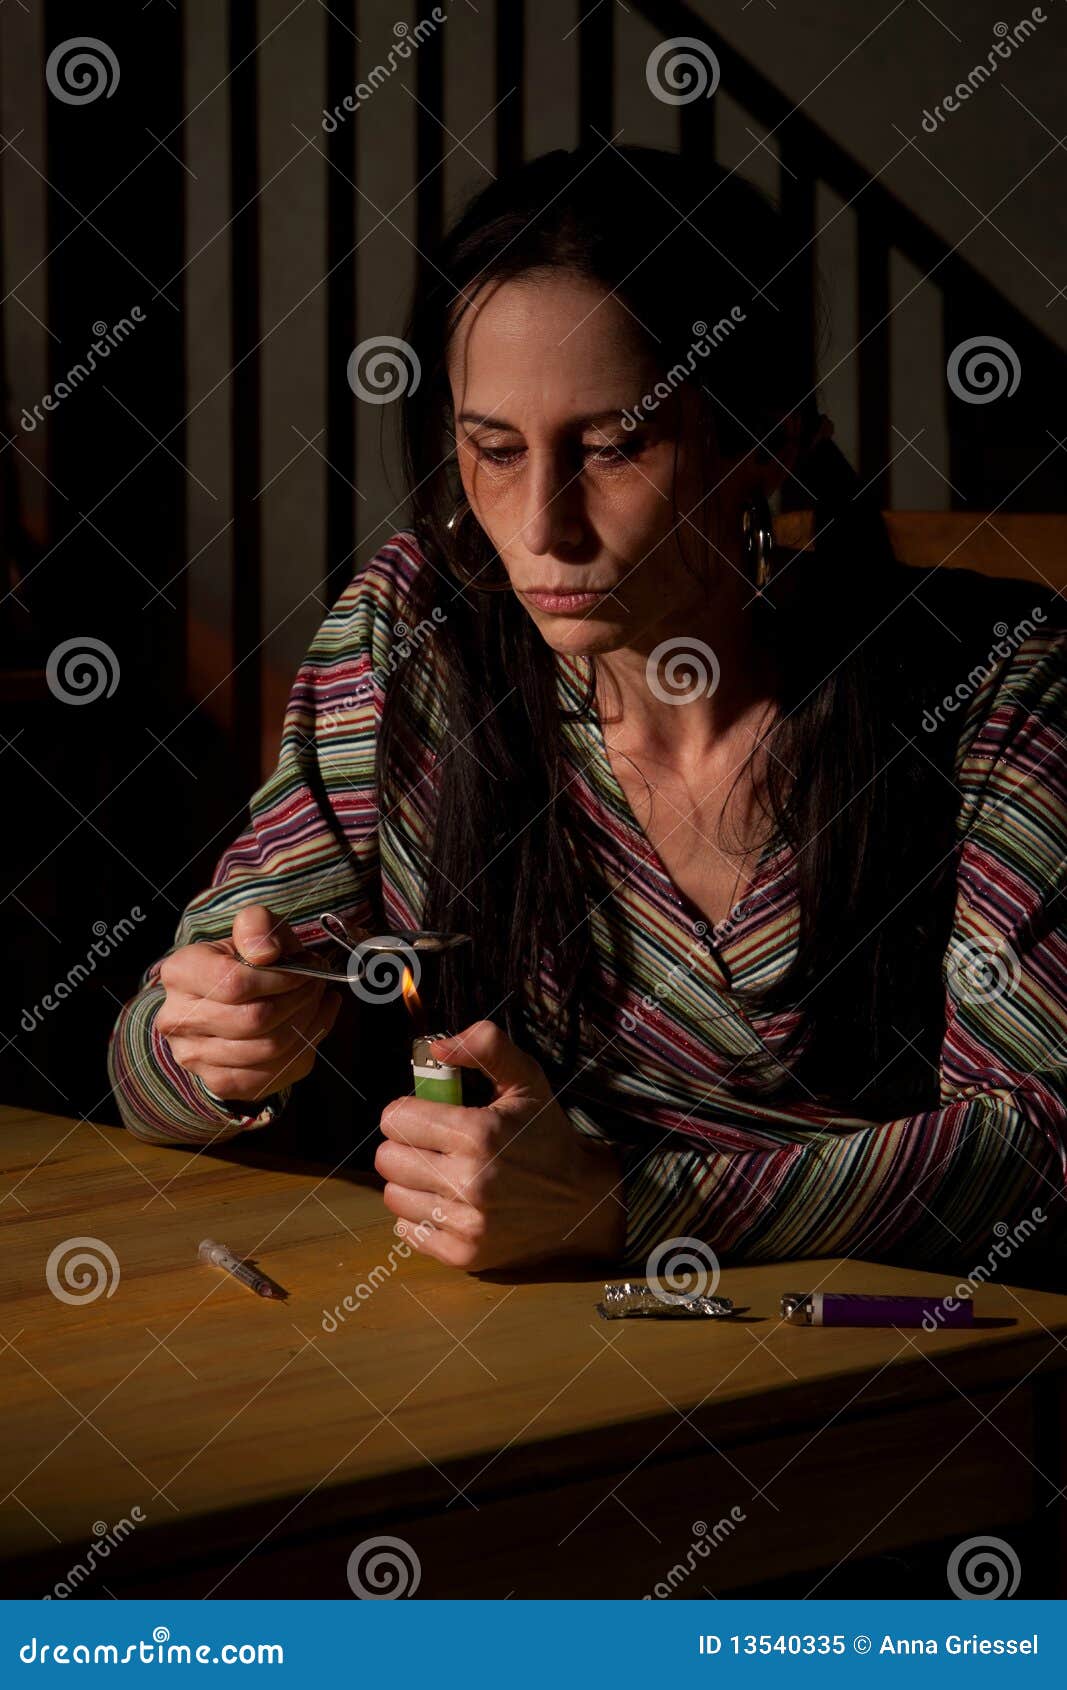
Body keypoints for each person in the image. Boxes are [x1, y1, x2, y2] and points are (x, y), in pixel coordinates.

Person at [110, 145, 1067, 1276]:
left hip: (912, 1371)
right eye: (493, 450)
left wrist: (621, 1208)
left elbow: (1037, 1144)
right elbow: (145, 1076)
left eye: (615, 447)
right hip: (529, 1363)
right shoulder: (415, 640)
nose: (540, 525)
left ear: (766, 443)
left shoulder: (996, 678)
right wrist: (214, 1046)